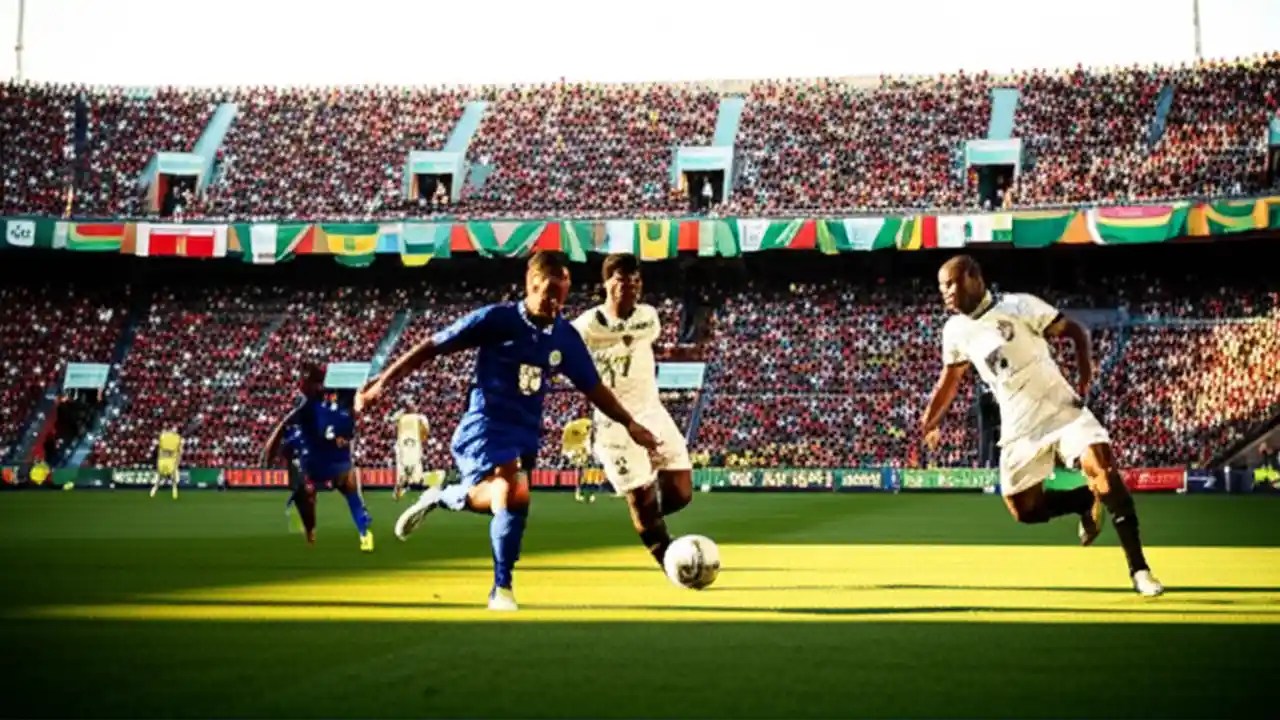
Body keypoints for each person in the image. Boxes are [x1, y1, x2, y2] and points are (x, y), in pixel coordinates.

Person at [358, 251, 659, 611]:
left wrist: (630, 423)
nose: (556, 302)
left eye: (562, 294)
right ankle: (502, 589)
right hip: (485, 425)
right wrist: (382, 384)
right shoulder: (496, 320)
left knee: (508, 498)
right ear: (530, 285)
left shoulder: (564, 336)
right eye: (548, 292)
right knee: (514, 487)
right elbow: (432, 347)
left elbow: (592, 387)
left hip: (525, 431)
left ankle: (445, 496)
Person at [920, 255, 1163, 596]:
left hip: (1060, 409)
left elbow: (1075, 331)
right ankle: (1082, 501)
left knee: (1104, 471)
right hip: (1019, 425)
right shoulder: (955, 330)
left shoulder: (1018, 306)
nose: (944, 292)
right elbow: (951, 378)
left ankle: (1140, 571)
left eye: (950, 283)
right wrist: (929, 420)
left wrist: (1084, 375)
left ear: (974, 277)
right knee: (1025, 510)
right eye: (941, 286)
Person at [571, 253, 695, 570]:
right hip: (614, 423)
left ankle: (645, 513)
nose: (629, 285)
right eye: (621, 279)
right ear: (606, 284)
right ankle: (672, 563)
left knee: (681, 492)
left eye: (635, 279)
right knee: (642, 502)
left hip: (651, 411)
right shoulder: (585, 326)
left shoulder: (649, 318)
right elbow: (564, 357)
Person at [263, 364, 374, 552]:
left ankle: (311, 530)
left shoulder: (309, 408)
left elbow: (289, 426)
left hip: (320, 464)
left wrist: (271, 454)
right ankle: (363, 530)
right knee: (351, 494)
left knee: (305, 486)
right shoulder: (335, 410)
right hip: (337, 463)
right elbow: (349, 423)